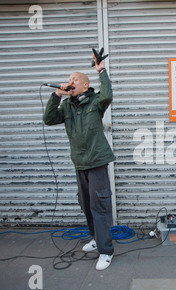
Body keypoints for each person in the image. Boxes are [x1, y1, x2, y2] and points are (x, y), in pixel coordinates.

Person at [43, 55, 115, 270]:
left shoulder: (96, 101)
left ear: (85, 84)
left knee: (100, 205)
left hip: (97, 161)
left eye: (75, 79)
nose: (70, 81)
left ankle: (106, 251)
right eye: (69, 79)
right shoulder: (66, 106)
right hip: (79, 162)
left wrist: (101, 71)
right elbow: (48, 119)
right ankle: (96, 238)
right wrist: (56, 94)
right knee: (86, 204)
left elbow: (108, 94)